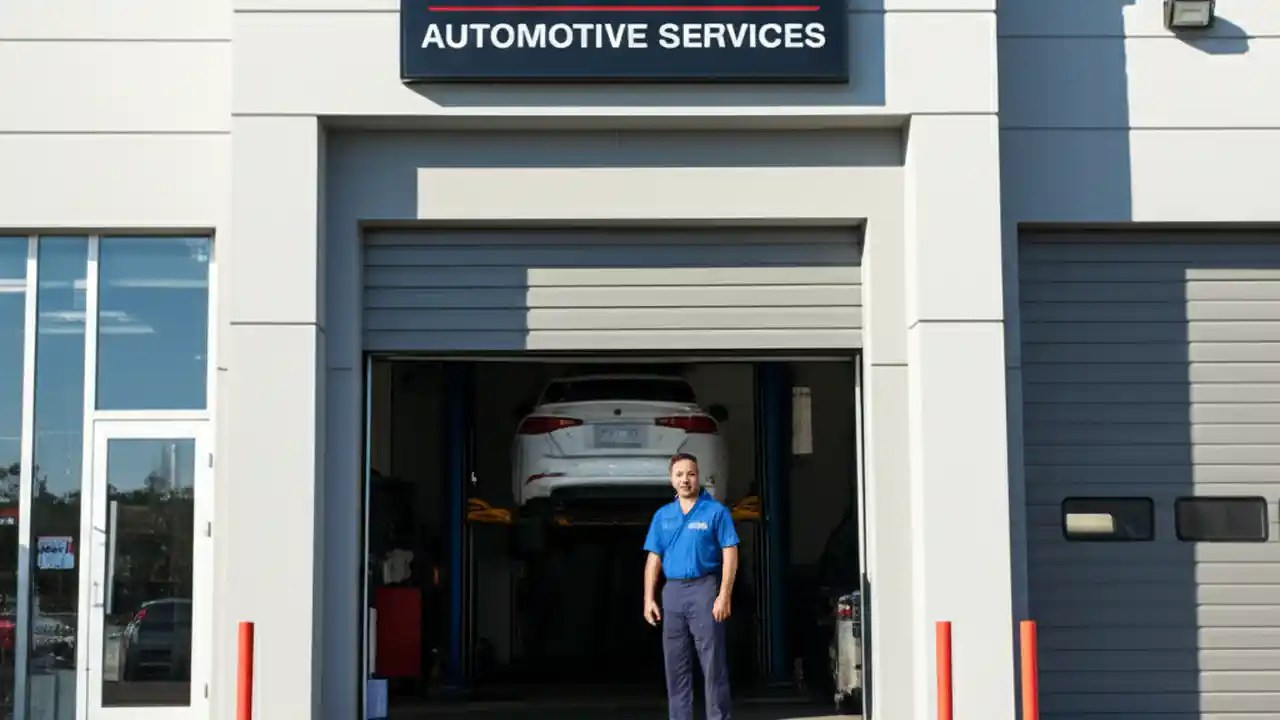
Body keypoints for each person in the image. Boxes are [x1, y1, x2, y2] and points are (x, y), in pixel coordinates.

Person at [643, 452, 740, 720]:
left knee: (712, 663)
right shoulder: (663, 516)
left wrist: (724, 595)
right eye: (679, 475)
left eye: (691, 474)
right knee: (675, 665)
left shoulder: (715, 511)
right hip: (672, 592)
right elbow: (654, 558)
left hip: (704, 588)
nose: (685, 479)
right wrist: (648, 598)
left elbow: (730, 552)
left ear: (699, 477)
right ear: (671, 480)